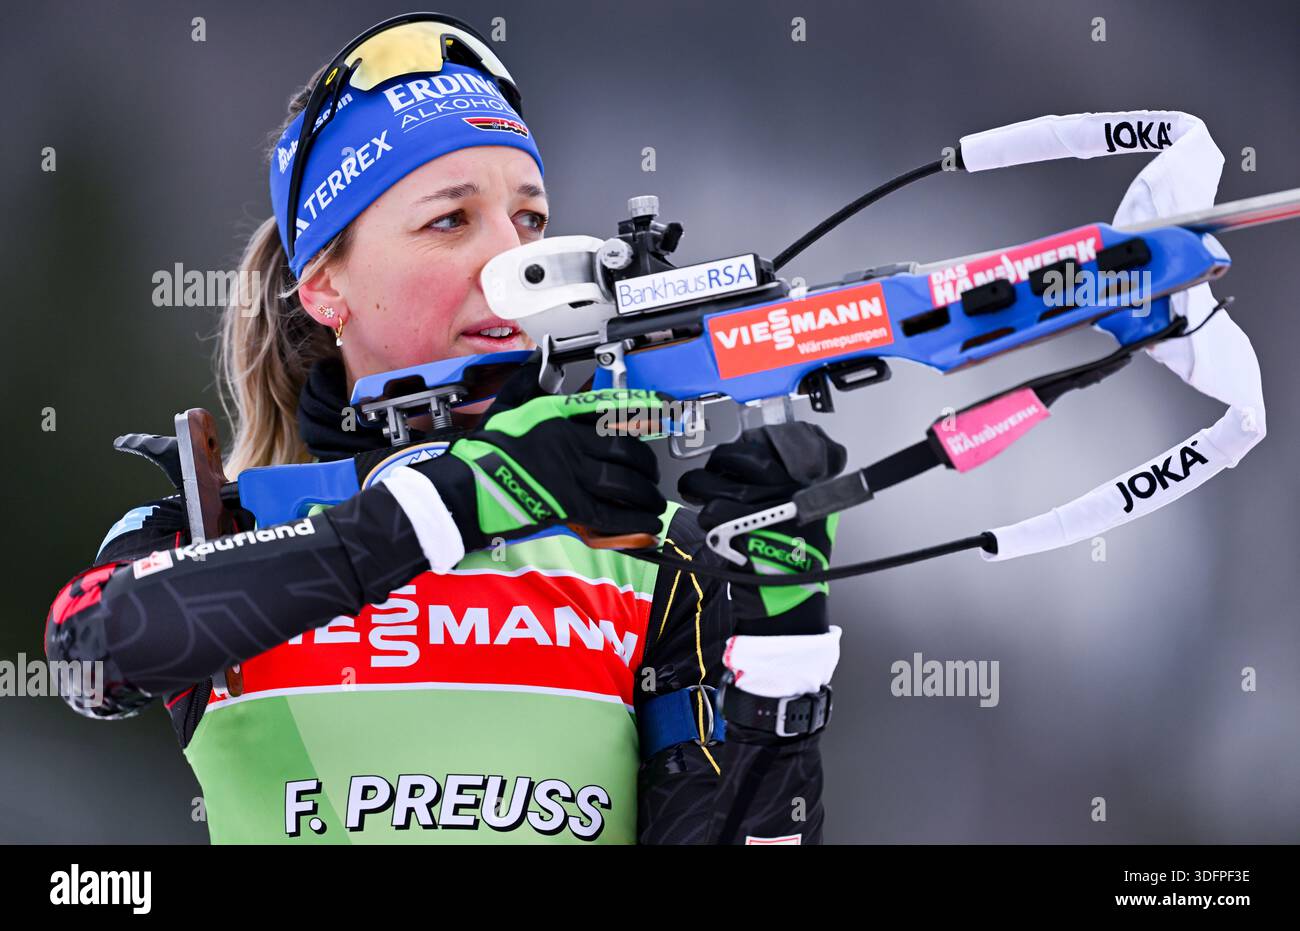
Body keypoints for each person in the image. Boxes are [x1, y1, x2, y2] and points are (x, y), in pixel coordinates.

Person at [44, 12, 845, 844]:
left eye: (529, 221)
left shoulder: (644, 555)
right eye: (451, 220)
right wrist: (455, 500)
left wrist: (780, 664)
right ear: (325, 286)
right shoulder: (225, 522)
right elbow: (91, 645)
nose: (509, 260)